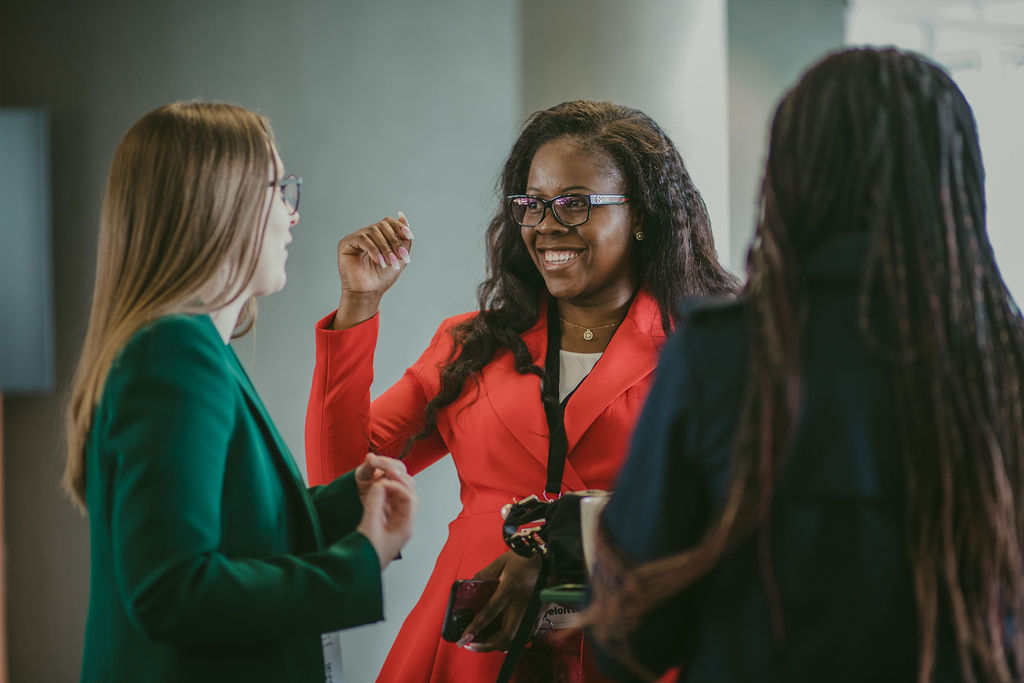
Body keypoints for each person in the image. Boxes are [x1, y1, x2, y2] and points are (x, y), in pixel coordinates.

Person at [586, 47, 1024, 683]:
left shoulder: (721, 354)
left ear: (791, 176)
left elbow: (631, 633)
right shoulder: (1005, 361)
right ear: (958, 182)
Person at [305, 100, 739, 681]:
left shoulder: (703, 351)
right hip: (473, 656)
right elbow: (341, 484)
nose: (546, 225)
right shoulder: (471, 346)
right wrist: (359, 307)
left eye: (575, 203)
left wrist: (566, 550)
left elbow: (733, 518)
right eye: (532, 204)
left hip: (629, 648)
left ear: (639, 214)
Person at [64, 101, 417, 683]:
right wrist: (358, 560)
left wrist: (347, 503)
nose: (292, 215)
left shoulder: (192, 348)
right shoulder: (174, 353)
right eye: (278, 189)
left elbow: (234, 528)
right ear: (216, 203)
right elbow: (172, 590)